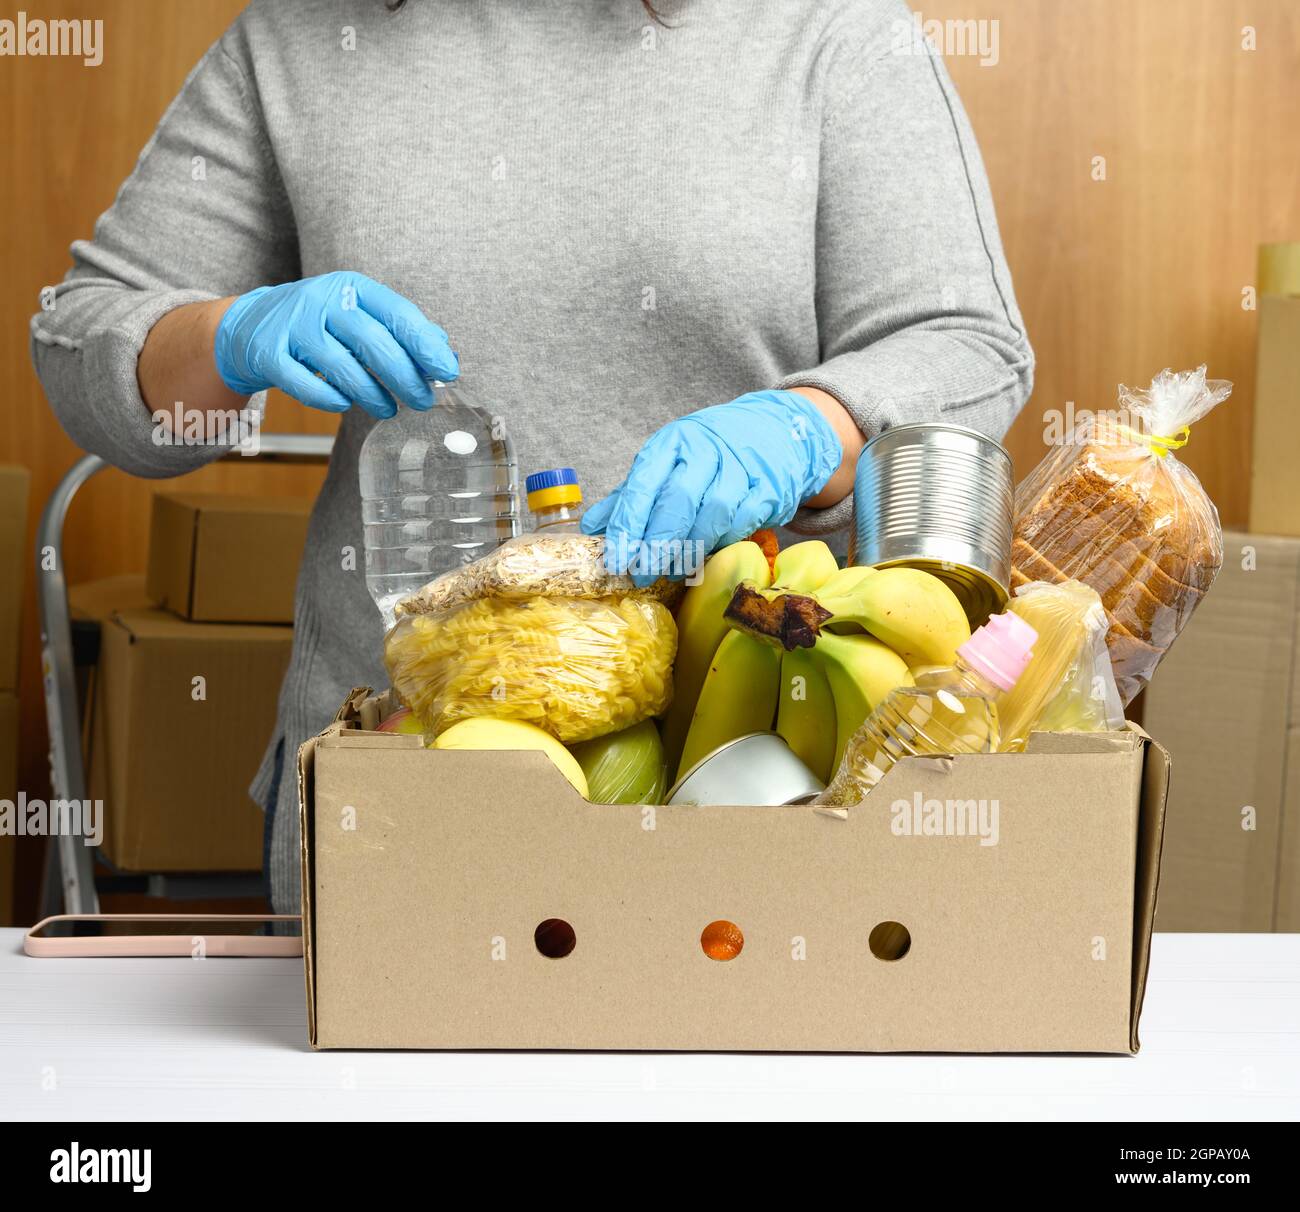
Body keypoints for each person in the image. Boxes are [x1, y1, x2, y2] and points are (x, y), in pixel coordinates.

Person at [30, 0, 1033, 913]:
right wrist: (225, 335)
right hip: (402, 765)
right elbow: (84, 345)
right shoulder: (300, 40)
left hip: (751, 758)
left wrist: (814, 423)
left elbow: (967, 345)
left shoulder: (830, 34)